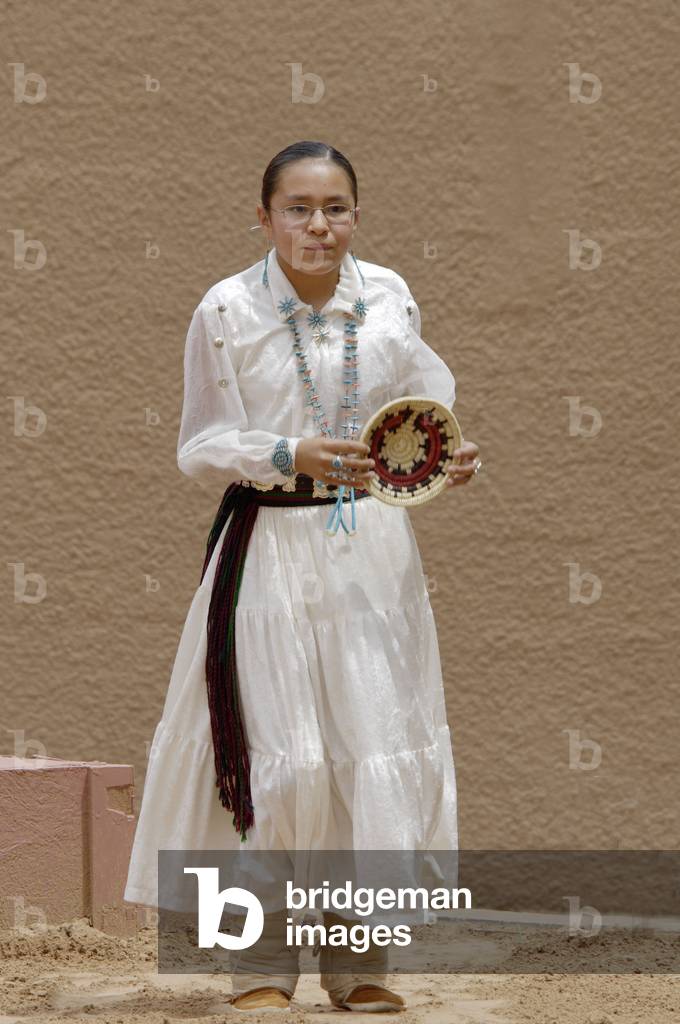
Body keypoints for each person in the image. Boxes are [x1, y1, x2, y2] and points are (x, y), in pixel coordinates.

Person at [123, 139, 481, 1013]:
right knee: (278, 757)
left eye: (336, 208)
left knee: (370, 740)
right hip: (271, 549)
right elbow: (200, 444)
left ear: (357, 213)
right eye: (298, 209)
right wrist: (288, 452)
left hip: (373, 553)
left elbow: (423, 405)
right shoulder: (225, 309)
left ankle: (360, 964)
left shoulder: (390, 294)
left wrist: (446, 456)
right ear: (265, 216)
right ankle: (259, 969)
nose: (319, 226)